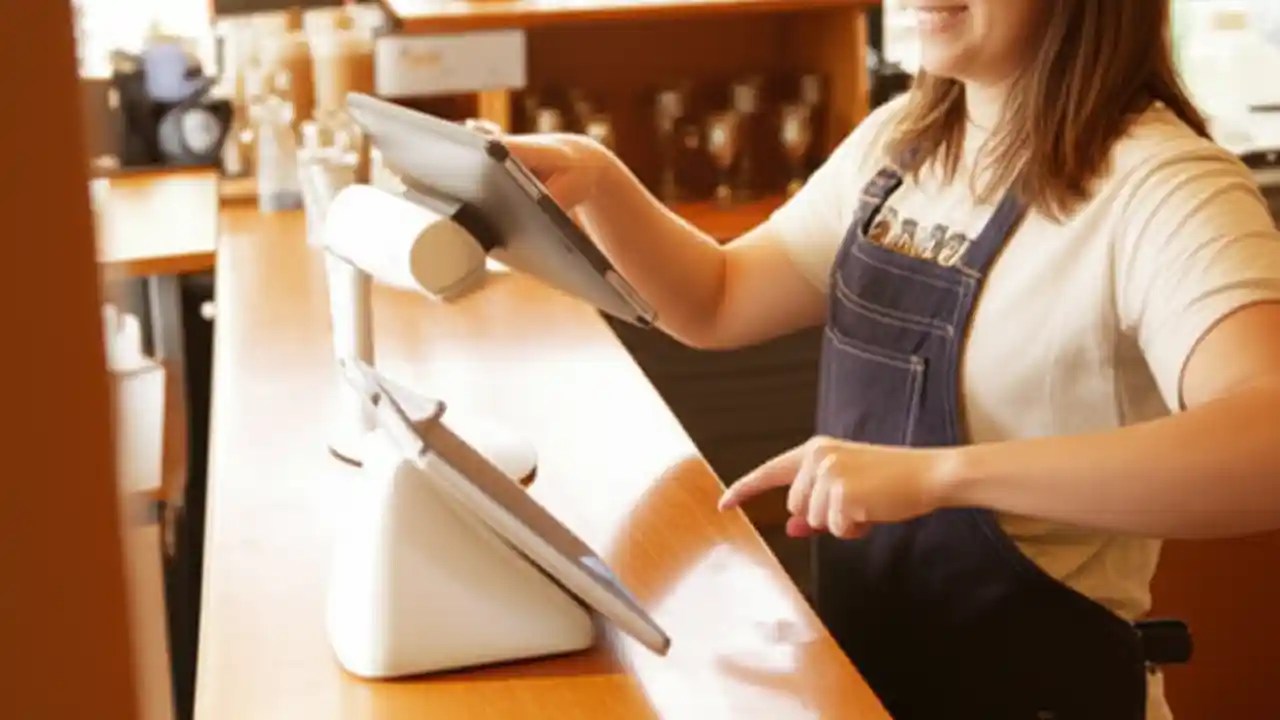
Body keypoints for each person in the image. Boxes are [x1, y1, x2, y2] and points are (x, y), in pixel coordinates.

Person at [504, 1, 1280, 717]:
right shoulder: (905, 140)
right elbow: (719, 297)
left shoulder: (1165, 186)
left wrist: (943, 475)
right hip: (874, 684)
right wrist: (593, 177)